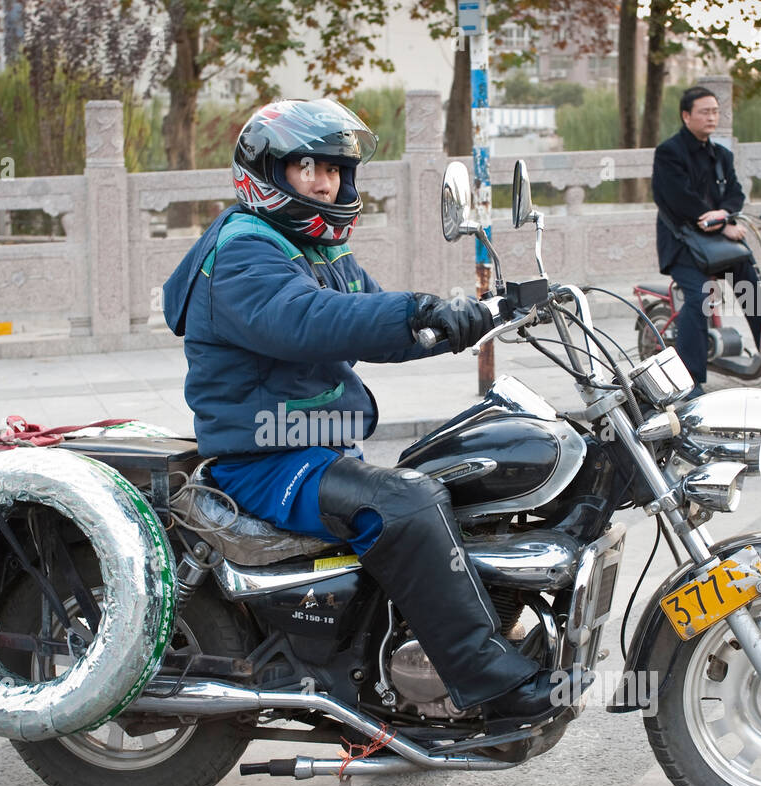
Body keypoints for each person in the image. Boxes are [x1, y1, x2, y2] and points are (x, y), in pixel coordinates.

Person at [162, 99, 583, 720]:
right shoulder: (244, 253)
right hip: (266, 461)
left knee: (470, 472)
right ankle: (487, 681)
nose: (326, 182)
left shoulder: (315, 250)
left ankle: (410, 678)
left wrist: (468, 319)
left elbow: (371, 317)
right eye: (308, 167)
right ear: (269, 173)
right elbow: (310, 320)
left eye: (335, 170)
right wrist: (416, 308)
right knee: (408, 504)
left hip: (313, 448)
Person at [652, 85, 761, 392]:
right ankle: (691, 380)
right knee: (700, 299)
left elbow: (736, 194)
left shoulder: (722, 155)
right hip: (681, 244)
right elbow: (679, 200)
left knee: (753, 289)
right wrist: (721, 223)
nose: (711, 117)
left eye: (715, 111)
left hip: (719, 245)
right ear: (686, 115)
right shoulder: (668, 153)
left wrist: (722, 215)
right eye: (704, 111)